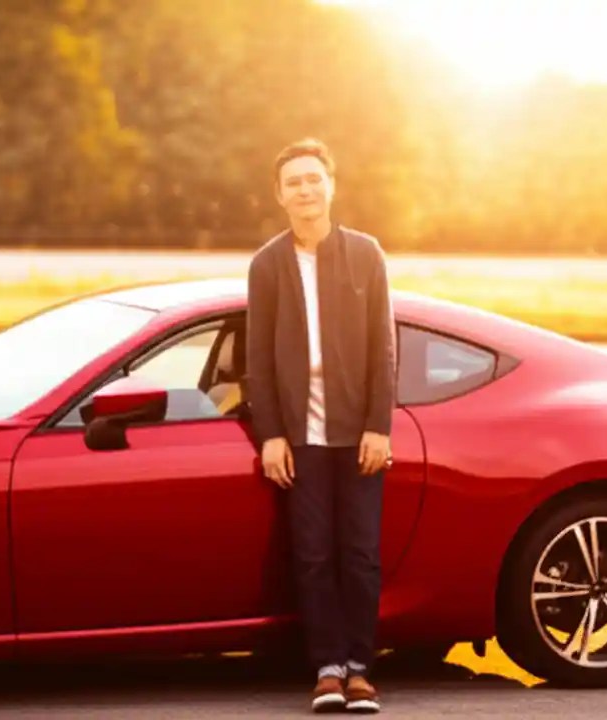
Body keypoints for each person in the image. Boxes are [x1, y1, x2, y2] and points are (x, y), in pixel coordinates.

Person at [246, 138, 396, 713]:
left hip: (358, 437)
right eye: (293, 183)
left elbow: (383, 348)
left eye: (314, 179)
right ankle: (328, 669)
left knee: (359, 553)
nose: (305, 190)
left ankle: (361, 669)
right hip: (300, 442)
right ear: (279, 196)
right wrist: (272, 435)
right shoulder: (267, 265)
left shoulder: (365, 255)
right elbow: (258, 358)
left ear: (331, 185)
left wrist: (378, 426)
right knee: (311, 555)